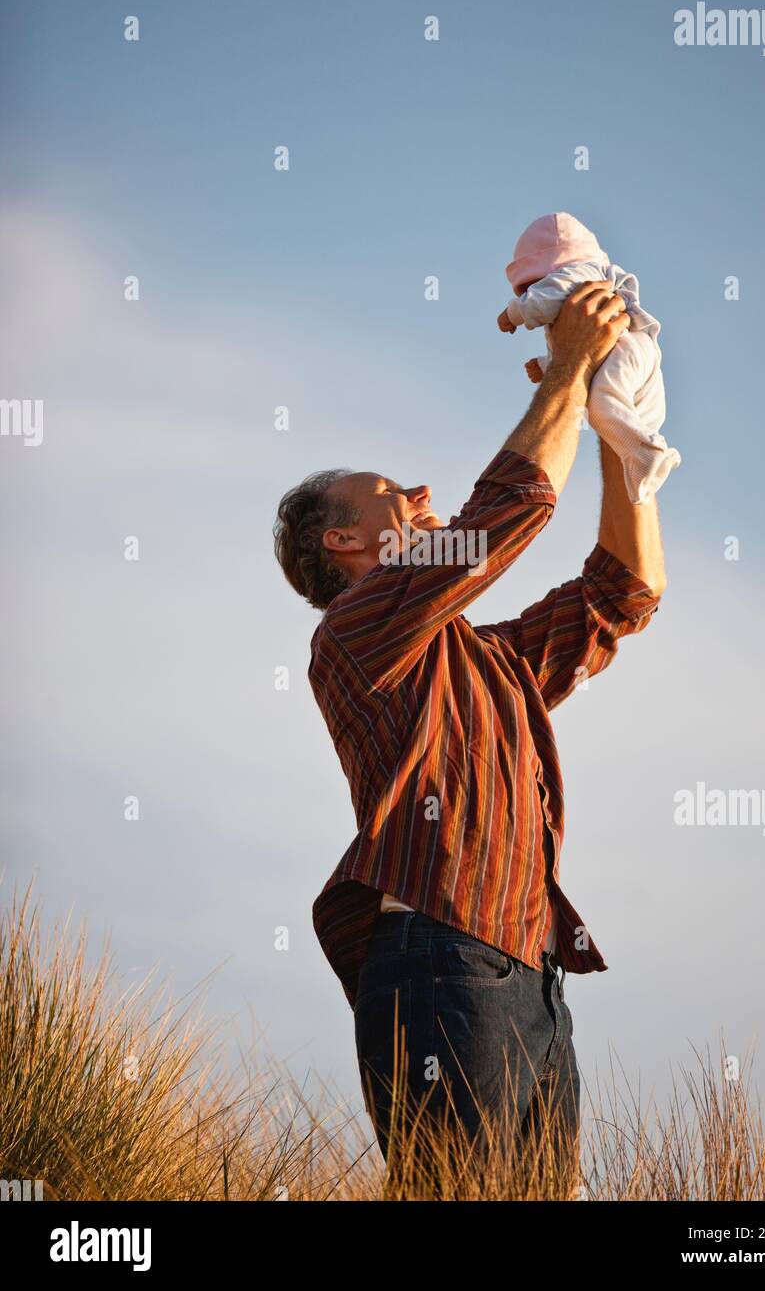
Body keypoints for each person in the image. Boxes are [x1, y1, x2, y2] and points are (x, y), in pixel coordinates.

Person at [273, 281, 667, 1186]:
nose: (419, 491)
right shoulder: (355, 633)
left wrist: (621, 433)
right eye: (389, 495)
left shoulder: (482, 661)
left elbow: (621, 597)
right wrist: (566, 366)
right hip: (441, 965)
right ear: (343, 544)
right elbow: (505, 515)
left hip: (528, 979)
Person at [498, 211, 681, 504]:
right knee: (628, 412)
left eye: (531, 285)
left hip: (624, 347)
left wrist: (513, 313)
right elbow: (575, 348)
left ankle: (647, 454)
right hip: (632, 351)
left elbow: (549, 297)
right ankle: (640, 459)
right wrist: (547, 365)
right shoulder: (587, 289)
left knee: (602, 407)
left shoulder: (576, 276)